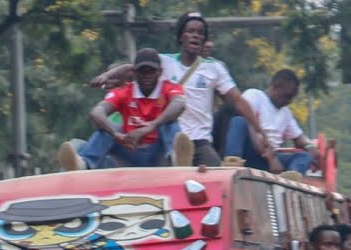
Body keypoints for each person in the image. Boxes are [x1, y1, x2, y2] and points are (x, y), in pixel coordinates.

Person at [92, 13, 270, 168]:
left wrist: (259, 129)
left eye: (200, 33)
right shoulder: (164, 62)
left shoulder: (214, 68)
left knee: (214, 174)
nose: (195, 36)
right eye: (190, 31)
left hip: (199, 140)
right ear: (180, 37)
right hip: (165, 139)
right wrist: (106, 76)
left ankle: (187, 158)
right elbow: (131, 68)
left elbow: (237, 100)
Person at [60, 48, 190, 171]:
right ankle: (84, 163)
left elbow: (179, 104)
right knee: (105, 129)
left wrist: (151, 126)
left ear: (159, 72)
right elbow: (97, 112)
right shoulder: (124, 92)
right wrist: (115, 134)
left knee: (170, 123)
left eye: (151, 71)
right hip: (130, 150)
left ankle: (176, 158)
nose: (147, 76)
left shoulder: (170, 88)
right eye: (142, 71)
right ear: (134, 73)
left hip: (158, 153)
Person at [224, 69, 319, 174]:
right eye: (287, 96)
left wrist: (310, 147)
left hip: (272, 161)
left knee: (304, 156)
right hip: (250, 153)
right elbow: (250, 126)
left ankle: (291, 175)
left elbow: (299, 138)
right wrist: (271, 158)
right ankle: (232, 161)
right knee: (239, 121)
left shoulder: (286, 113)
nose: (289, 101)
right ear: (275, 87)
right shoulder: (254, 95)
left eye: (292, 98)